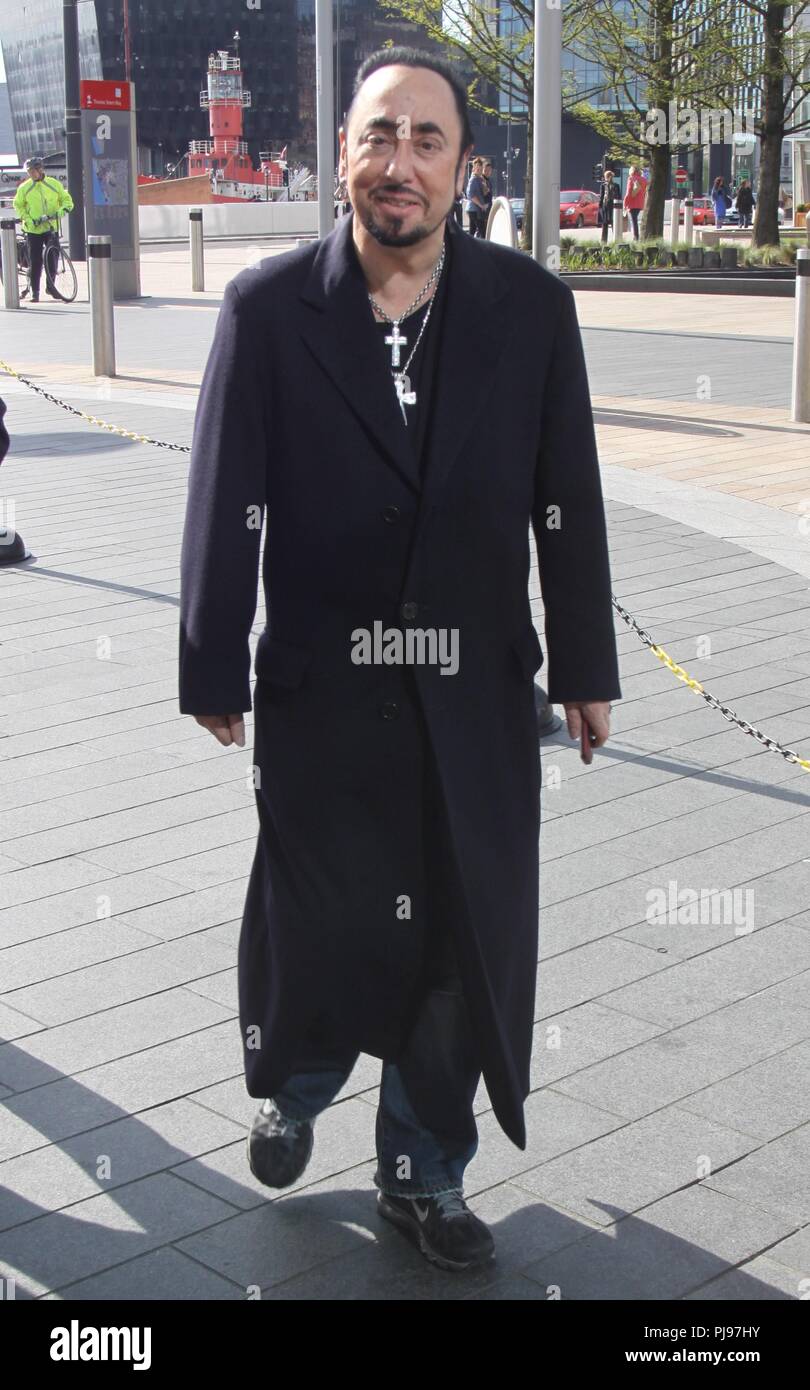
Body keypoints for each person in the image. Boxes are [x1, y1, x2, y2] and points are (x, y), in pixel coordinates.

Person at [178, 45, 620, 1273]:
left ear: (464, 165)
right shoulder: (268, 311)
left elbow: (565, 503)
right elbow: (224, 498)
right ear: (341, 157)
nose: (401, 163)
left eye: (428, 140)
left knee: (453, 940)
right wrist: (213, 659)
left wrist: (585, 664)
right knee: (322, 919)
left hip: (477, 697)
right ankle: (298, 1086)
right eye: (380, 136)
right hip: (325, 695)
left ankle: (424, 1167)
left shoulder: (530, 310)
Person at [12, 155, 74, 303]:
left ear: (40, 170)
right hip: (33, 229)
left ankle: (51, 287)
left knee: (53, 258)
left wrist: (62, 210)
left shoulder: (53, 184)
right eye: (29, 172)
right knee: (35, 261)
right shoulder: (24, 188)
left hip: (51, 227)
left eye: (33, 171)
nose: (31, 174)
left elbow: (66, 200)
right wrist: (28, 219)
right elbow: (18, 205)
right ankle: (35, 292)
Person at [463, 156, 487, 236]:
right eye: (478, 169)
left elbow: (484, 193)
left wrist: (484, 185)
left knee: (472, 231)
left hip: (475, 209)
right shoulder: (473, 179)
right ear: (474, 168)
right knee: (482, 231)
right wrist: (481, 205)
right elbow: (470, 194)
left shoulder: (479, 179)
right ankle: (482, 247)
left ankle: (469, 247)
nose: (480, 171)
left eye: (481, 169)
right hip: (474, 209)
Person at [623, 165, 647, 240]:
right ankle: (637, 236)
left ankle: (636, 237)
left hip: (632, 203)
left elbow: (628, 192)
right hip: (640, 203)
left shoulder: (631, 178)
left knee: (634, 221)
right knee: (635, 219)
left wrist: (625, 202)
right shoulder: (643, 179)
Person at [599, 168, 621, 243]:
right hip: (614, 206)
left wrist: (600, 207)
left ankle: (603, 241)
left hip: (606, 206)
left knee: (605, 224)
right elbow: (619, 197)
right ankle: (616, 240)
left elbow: (601, 197)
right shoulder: (616, 185)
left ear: (606, 177)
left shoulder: (603, 185)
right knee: (613, 223)